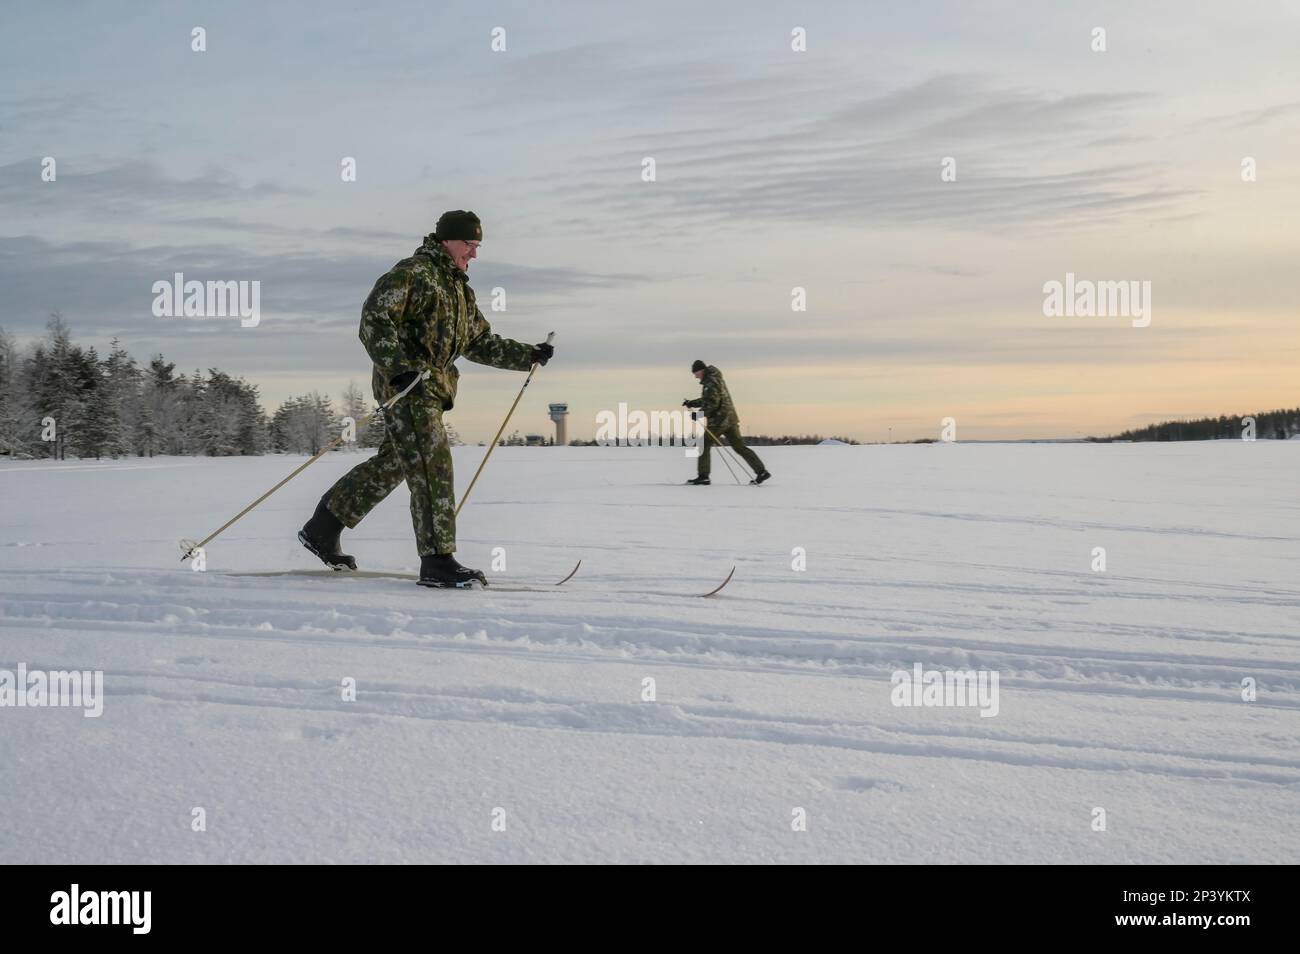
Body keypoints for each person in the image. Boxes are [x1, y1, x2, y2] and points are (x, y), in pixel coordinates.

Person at [298, 210, 554, 587]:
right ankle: (437, 561)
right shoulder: (414, 273)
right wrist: (397, 367)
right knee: (433, 464)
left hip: (433, 390)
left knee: (396, 463)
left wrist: (527, 355)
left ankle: (323, 527)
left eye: (477, 246)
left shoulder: (458, 290)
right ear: (447, 240)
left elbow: (478, 341)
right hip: (407, 387)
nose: (474, 254)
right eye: (469, 244)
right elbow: (374, 317)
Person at [682, 359, 770, 485]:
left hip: (719, 421)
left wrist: (699, 414)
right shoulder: (715, 378)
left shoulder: (710, 382)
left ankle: (703, 476)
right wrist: (693, 403)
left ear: (701, 370)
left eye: (696, 373)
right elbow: (710, 398)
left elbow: (712, 402)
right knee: (739, 447)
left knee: (704, 444)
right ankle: (761, 471)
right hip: (730, 419)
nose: (695, 376)